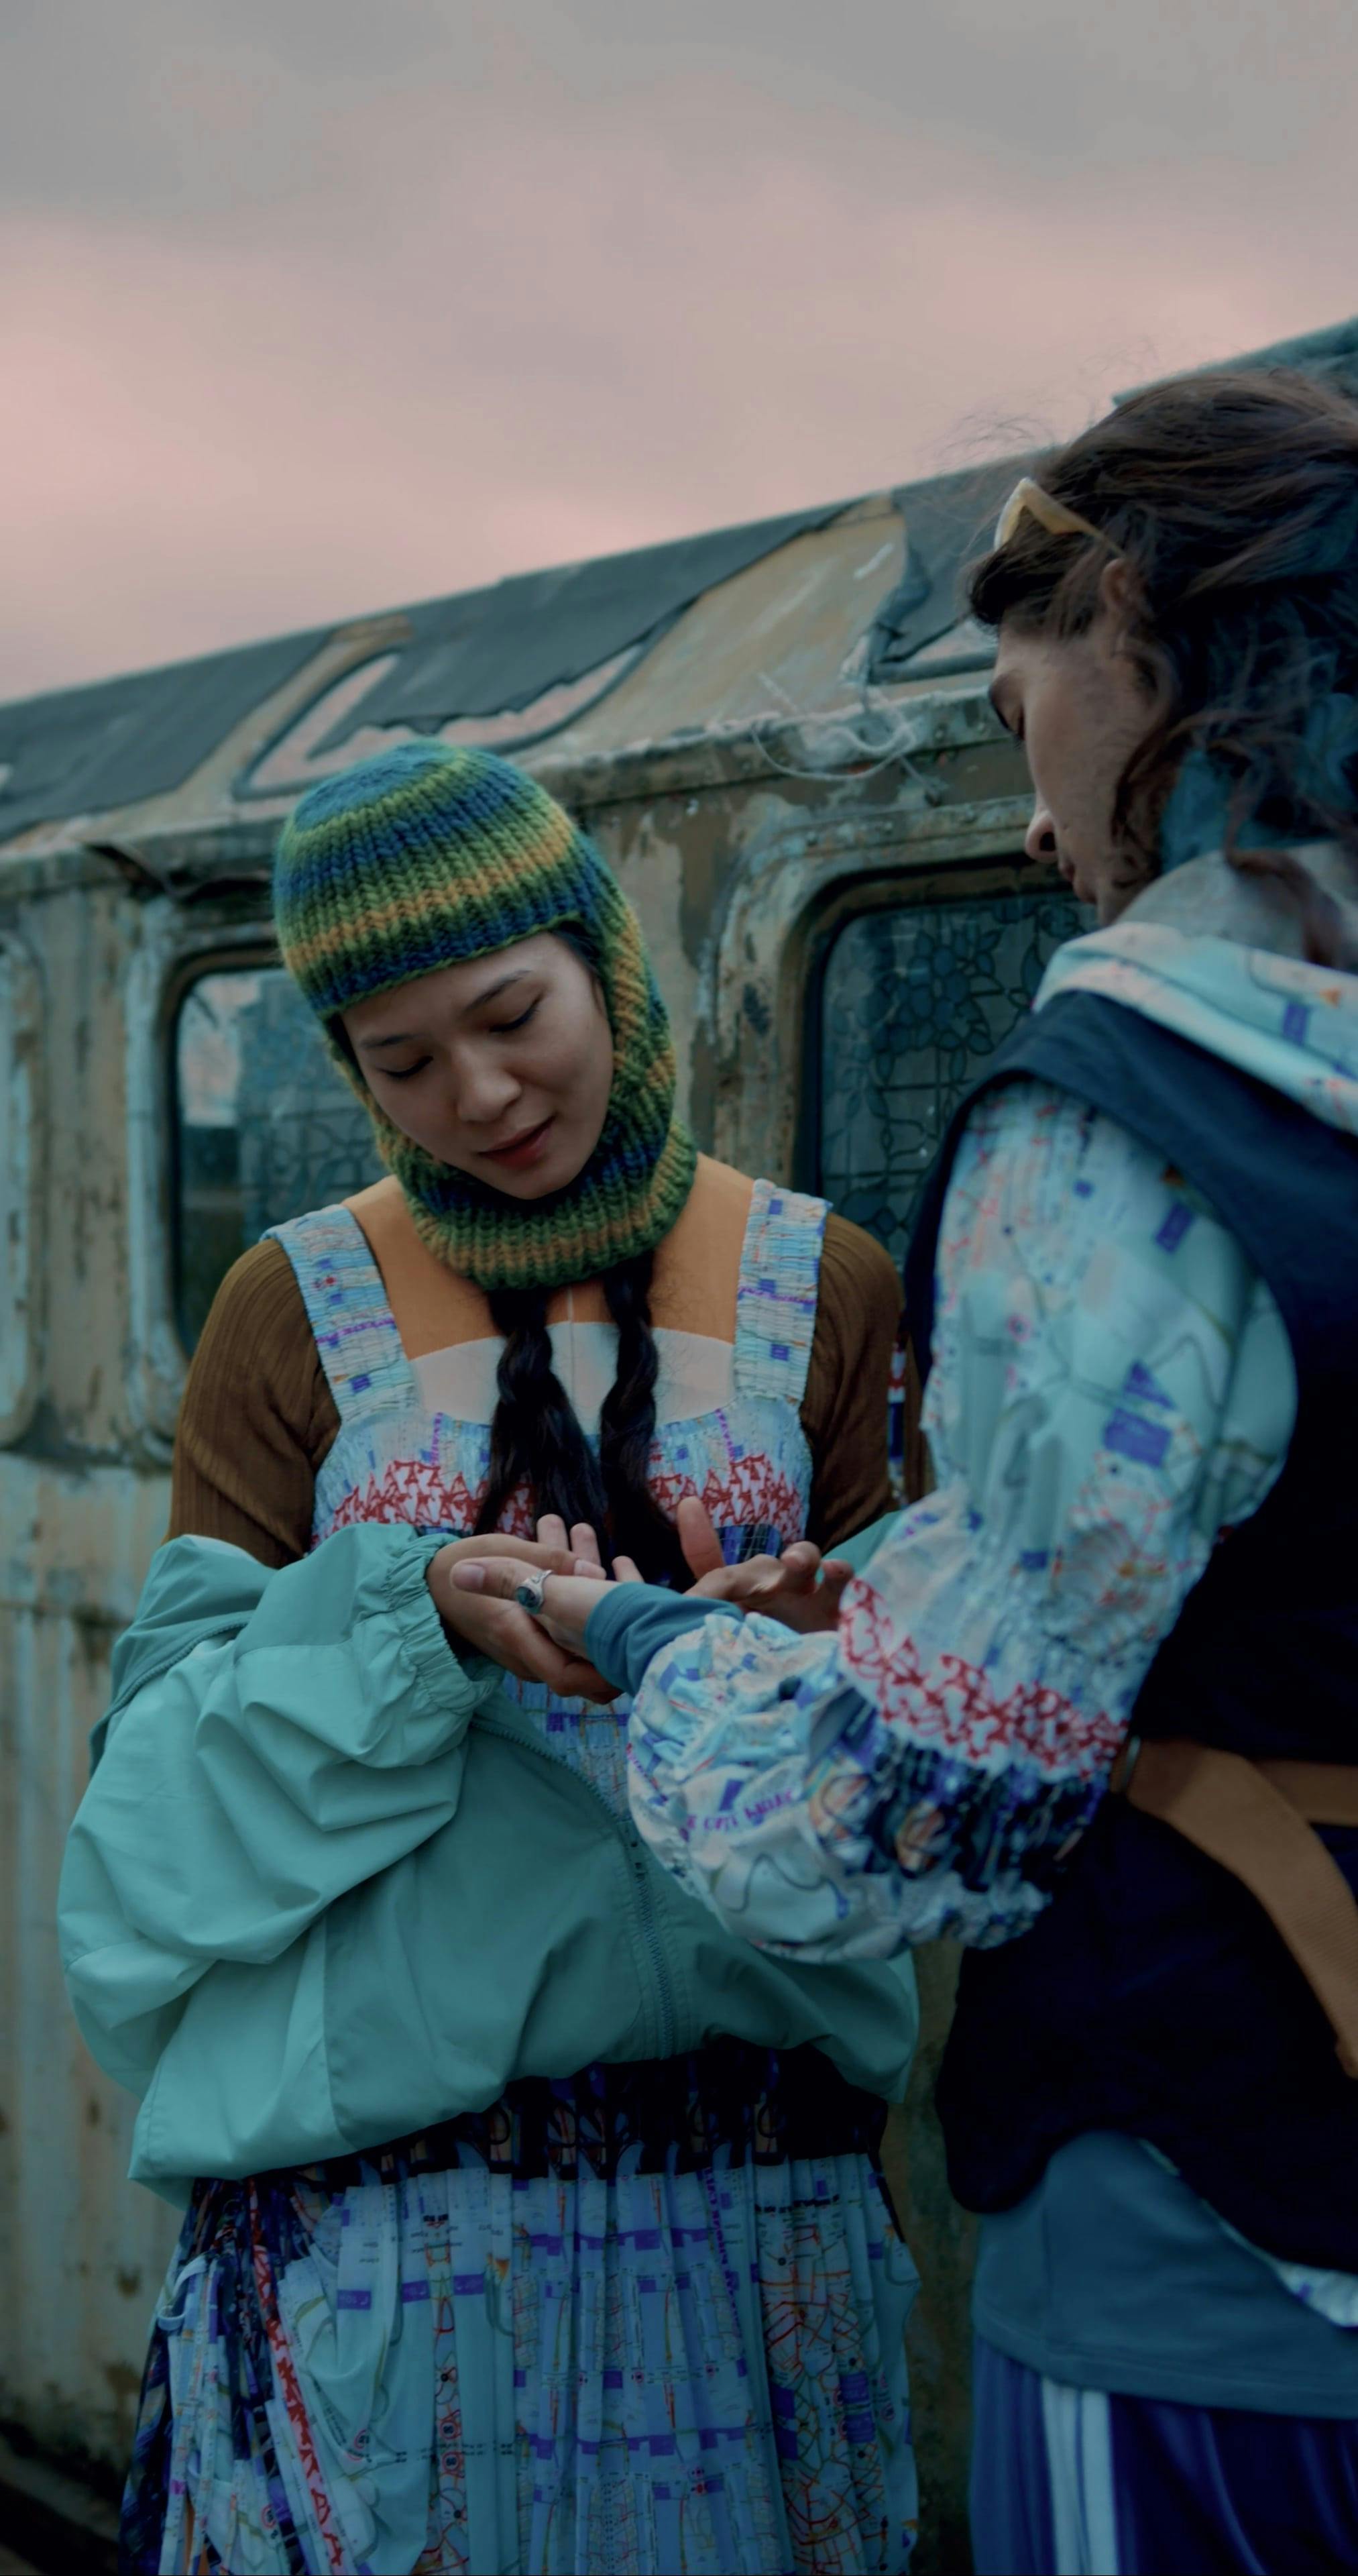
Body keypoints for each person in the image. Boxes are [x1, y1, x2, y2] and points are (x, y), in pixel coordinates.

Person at [452, 370, 1358, 2575]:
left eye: (1014, 697)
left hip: (1224, 2244)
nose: (1034, 818)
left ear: (1131, 623)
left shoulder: (1129, 1105)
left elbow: (925, 1812)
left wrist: (641, 1638)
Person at [60, 743, 923, 2576]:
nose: (475, 1093)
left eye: (511, 1013)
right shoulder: (284, 1308)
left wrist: (798, 1660)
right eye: (398, 1060)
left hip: (763, 2183)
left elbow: (924, 1747)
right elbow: (150, 1806)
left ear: (601, 956)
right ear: (348, 1071)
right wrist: (406, 1630)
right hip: (386, 2221)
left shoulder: (828, 1282)